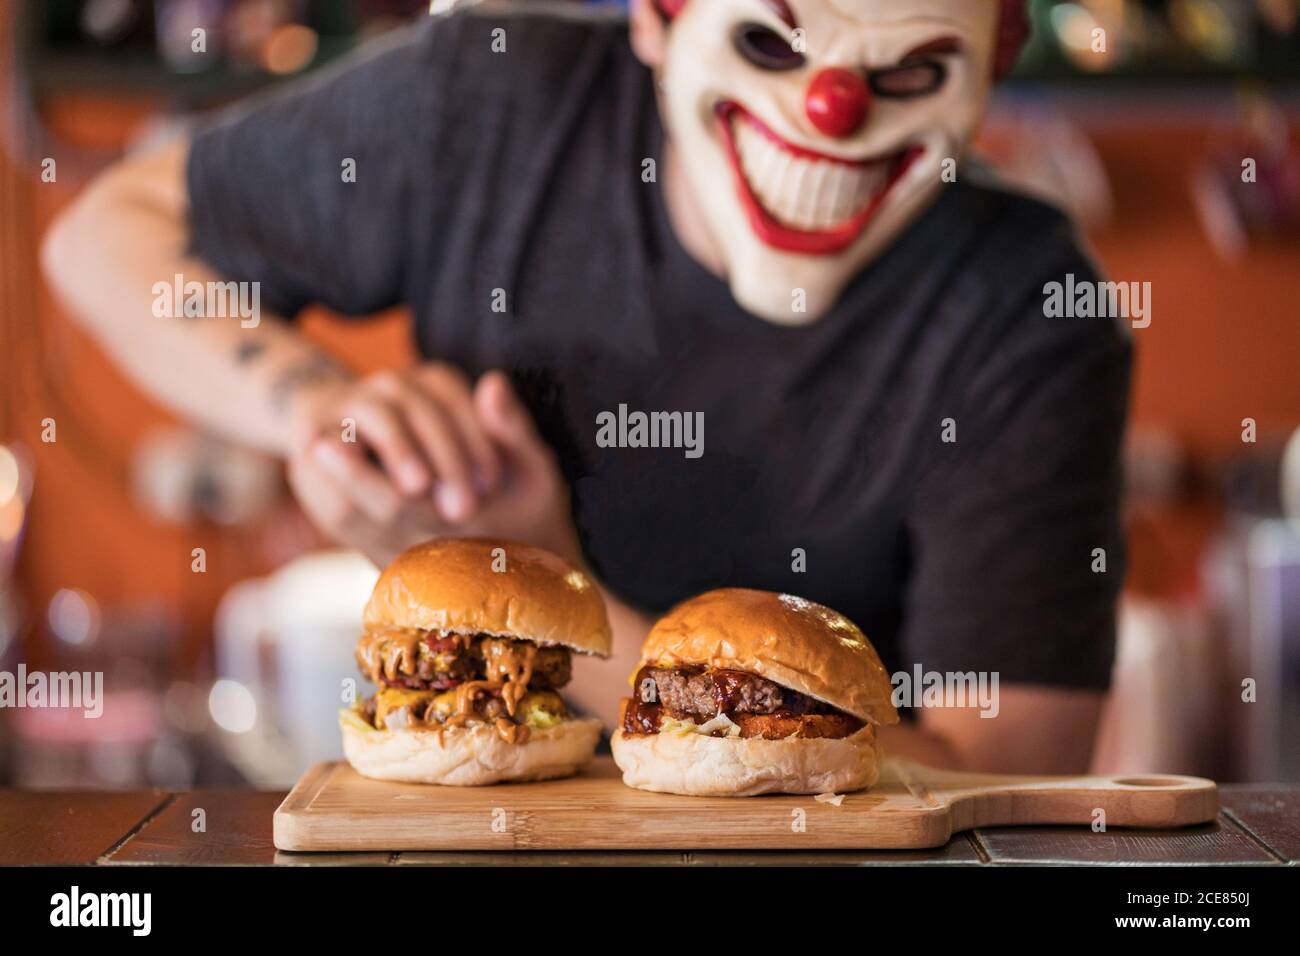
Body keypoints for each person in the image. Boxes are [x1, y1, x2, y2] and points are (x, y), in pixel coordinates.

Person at [42, 0, 1131, 773]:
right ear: (657, 17)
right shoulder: (494, 100)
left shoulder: (1029, 312)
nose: (830, 110)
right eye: (767, 41)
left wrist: (547, 597)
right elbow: (105, 235)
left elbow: (1005, 781)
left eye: (909, 71)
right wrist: (312, 405)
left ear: (994, 58)